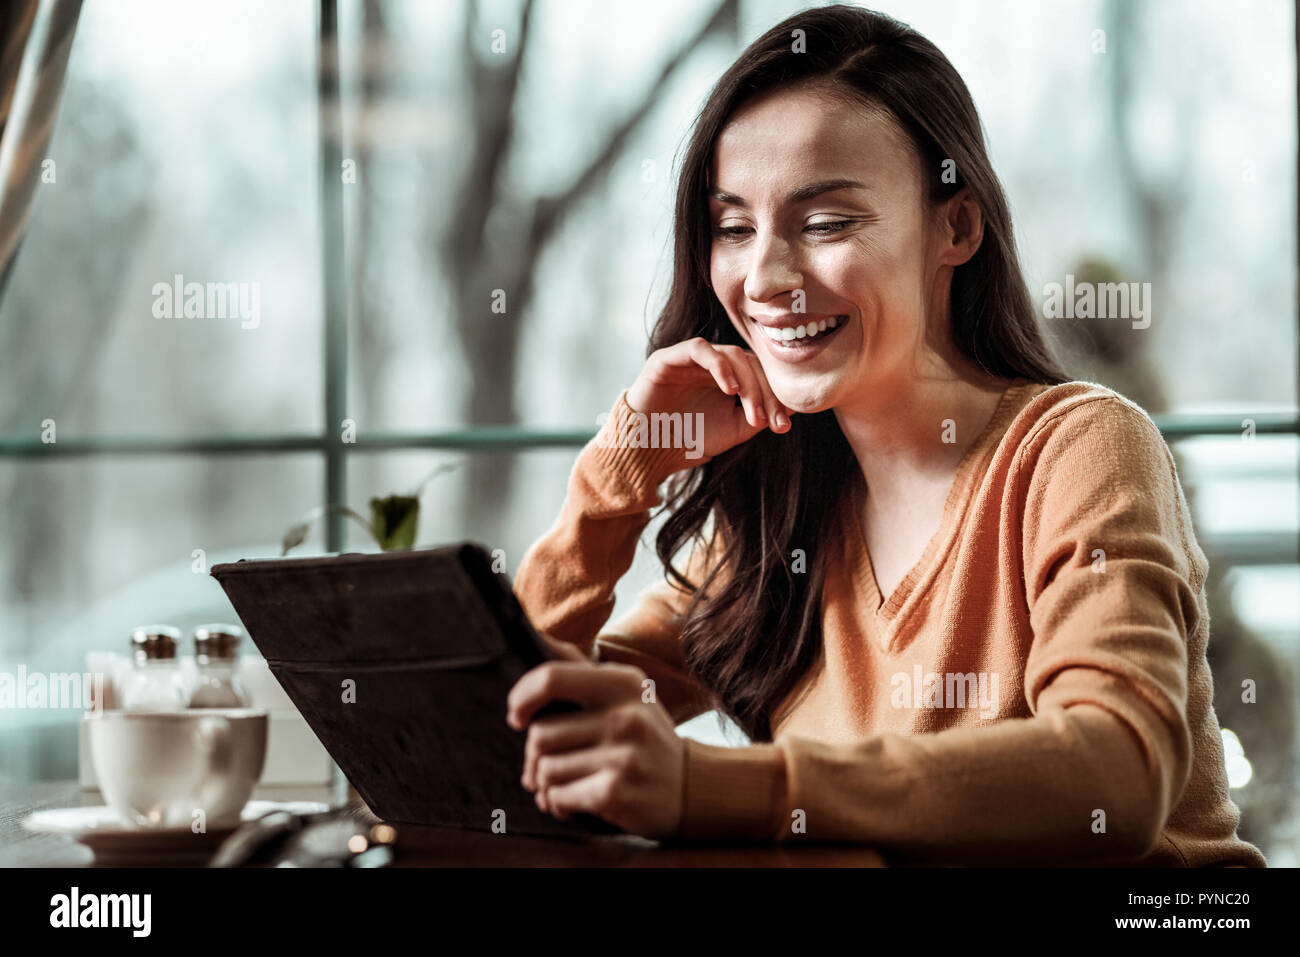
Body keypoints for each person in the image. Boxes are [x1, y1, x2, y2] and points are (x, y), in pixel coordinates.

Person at [504, 4, 1266, 866]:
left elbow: (1115, 773)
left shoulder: (1079, 448)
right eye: (733, 227)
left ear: (957, 227)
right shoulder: (779, 507)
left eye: (826, 223)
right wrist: (619, 473)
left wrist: (715, 789)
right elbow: (522, 726)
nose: (766, 278)